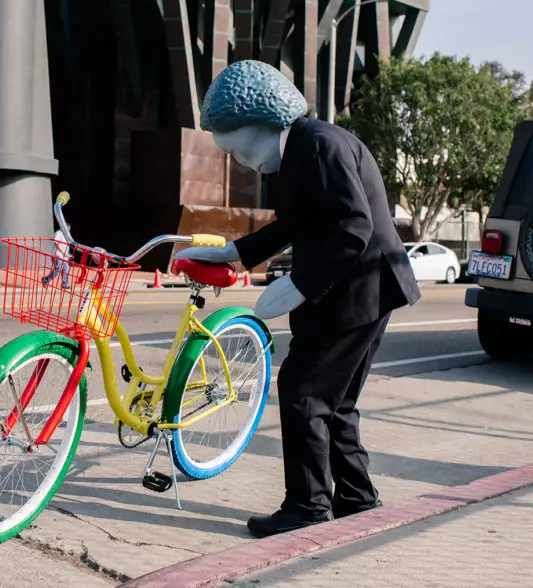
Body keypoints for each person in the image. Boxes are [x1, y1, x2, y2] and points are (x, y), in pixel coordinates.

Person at [177, 60, 421, 538]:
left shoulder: (320, 146)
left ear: (264, 122)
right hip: (363, 290)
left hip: (355, 292)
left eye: (241, 151)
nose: (242, 163)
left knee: (304, 393)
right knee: (336, 401)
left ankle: (307, 506)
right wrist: (235, 252)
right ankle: (357, 497)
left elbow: (354, 229)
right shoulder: (298, 151)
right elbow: (292, 225)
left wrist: (299, 285)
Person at [41, 224, 72, 288]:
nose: (68, 230)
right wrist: (63, 252)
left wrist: (68, 254)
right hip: (57, 255)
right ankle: (45, 279)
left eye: (69, 229)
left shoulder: (68, 235)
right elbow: (56, 244)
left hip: (65, 256)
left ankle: (65, 284)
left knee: (66, 270)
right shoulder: (58, 233)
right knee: (57, 271)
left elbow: (68, 245)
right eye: (67, 229)